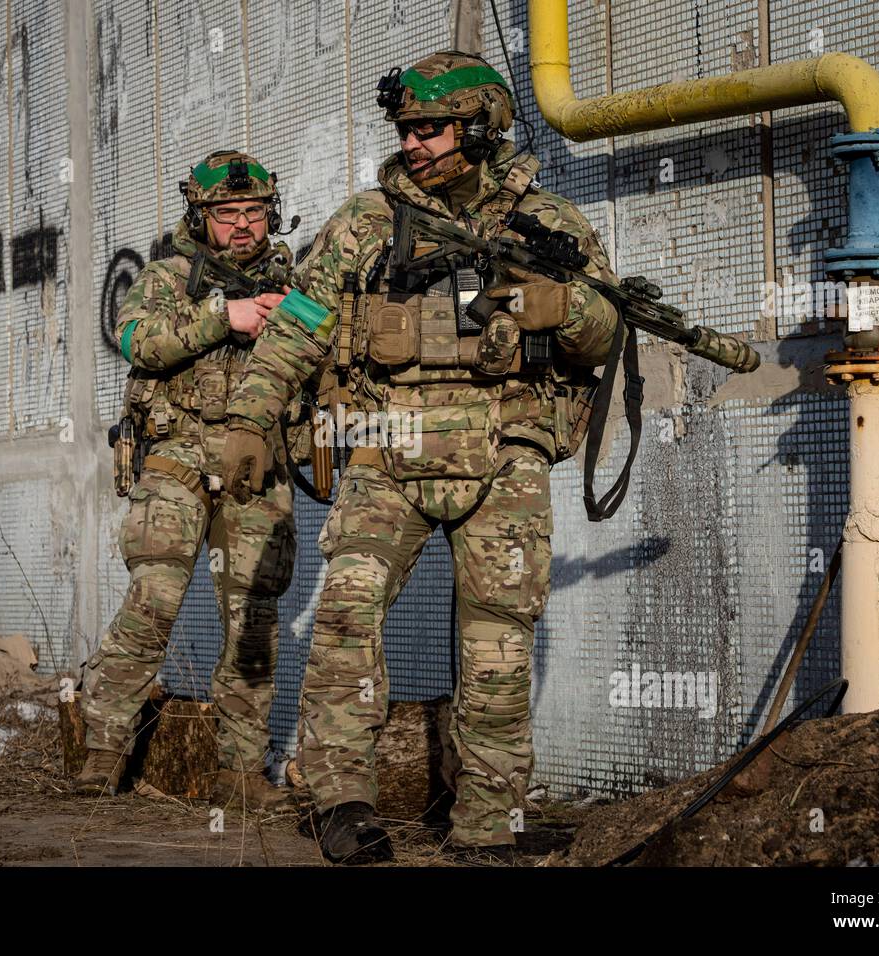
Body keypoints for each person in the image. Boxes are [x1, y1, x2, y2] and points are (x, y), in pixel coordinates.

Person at [220, 51, 622, 863]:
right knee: (344, 617)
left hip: (506, 448)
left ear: (480, 126)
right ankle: (340, 803)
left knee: (499, 638)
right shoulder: (363, 224)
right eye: (405, 129)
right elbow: (297, 326)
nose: (414, 143)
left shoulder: (548, 224)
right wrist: (251, 419)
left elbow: (609, 331)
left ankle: (486, 824)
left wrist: (563, 305)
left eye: (430, 128)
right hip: (385, 446)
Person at [77, 150, 300, 813]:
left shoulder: (296, 281)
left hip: (255, 467)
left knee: (254, 623)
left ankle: (240, 772)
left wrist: (296, 324)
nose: (241, 226)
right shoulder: (167, 276)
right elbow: (135, 340)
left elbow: (330, 357)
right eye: (226, 214)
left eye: (253, 213)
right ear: (199, 216)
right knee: (152, 607)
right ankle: (103, 750)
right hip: (175, 460)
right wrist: (222, 318)